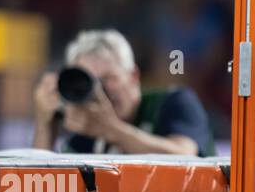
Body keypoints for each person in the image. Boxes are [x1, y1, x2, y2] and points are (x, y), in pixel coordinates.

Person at [32, 29, 213, 155]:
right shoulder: (87, 135)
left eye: (108, 78)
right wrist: (45, 123)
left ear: (133, 75)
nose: (99, 91)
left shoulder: (174, 103)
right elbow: (41, 187)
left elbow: (184, 155)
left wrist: (110, 130)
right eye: (89, 82)